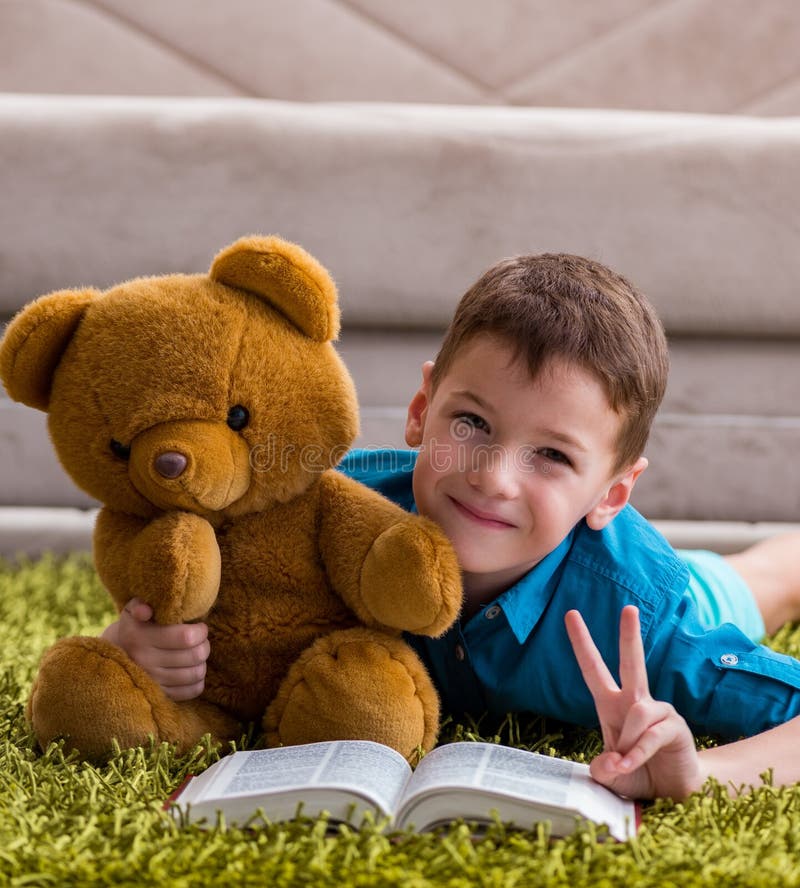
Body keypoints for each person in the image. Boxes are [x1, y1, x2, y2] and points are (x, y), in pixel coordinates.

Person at [101, 252, 800, 800]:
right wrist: (138, 643)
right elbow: (188, 605)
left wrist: (698, 772)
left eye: (552, 455)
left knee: (756, 583)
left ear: (612, 492)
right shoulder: (321, 515)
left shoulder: (640, 620)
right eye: (471, 423)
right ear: (420, 410)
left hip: (644, 581)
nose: (493, 477)